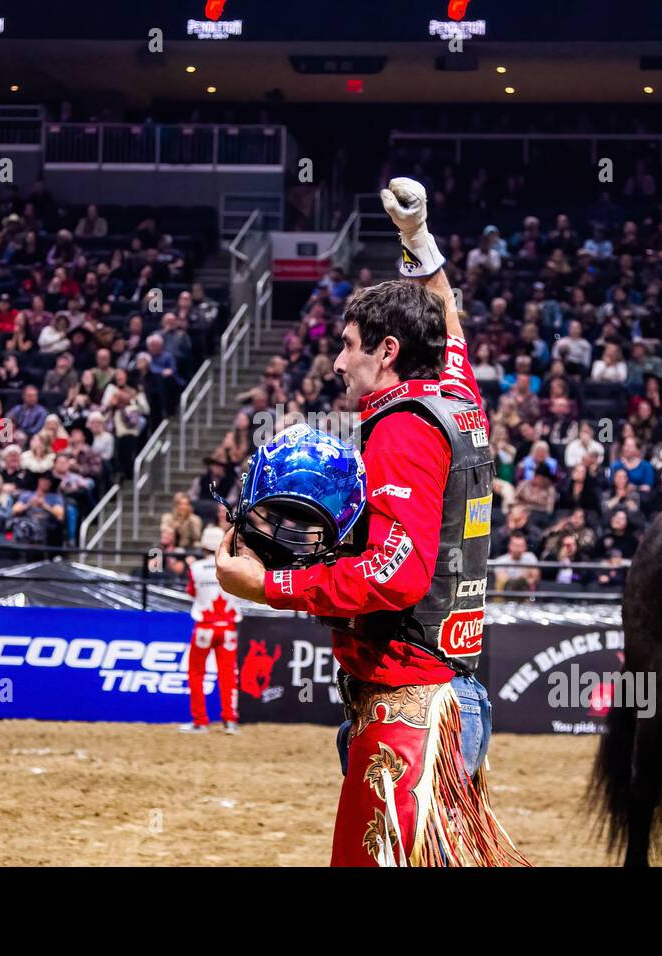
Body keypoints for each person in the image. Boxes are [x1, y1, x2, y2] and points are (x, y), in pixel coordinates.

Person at [216, 178, 526, 867]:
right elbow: (446, 323)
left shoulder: (404, 427)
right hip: (452, 689)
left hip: (411, 706)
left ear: (386, 351)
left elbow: (398, 572)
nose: (337, 358)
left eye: (349, 344)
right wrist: (419, 244)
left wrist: (269, 586)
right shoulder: (454, 396)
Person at [179, 526, 243, 735]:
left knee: (196, 673)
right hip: (228, 628)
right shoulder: (234, 566)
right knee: (228, 675)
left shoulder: (195, 568)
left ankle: (200, 721)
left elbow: (192, 593)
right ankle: (230, 722)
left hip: (204, 627)